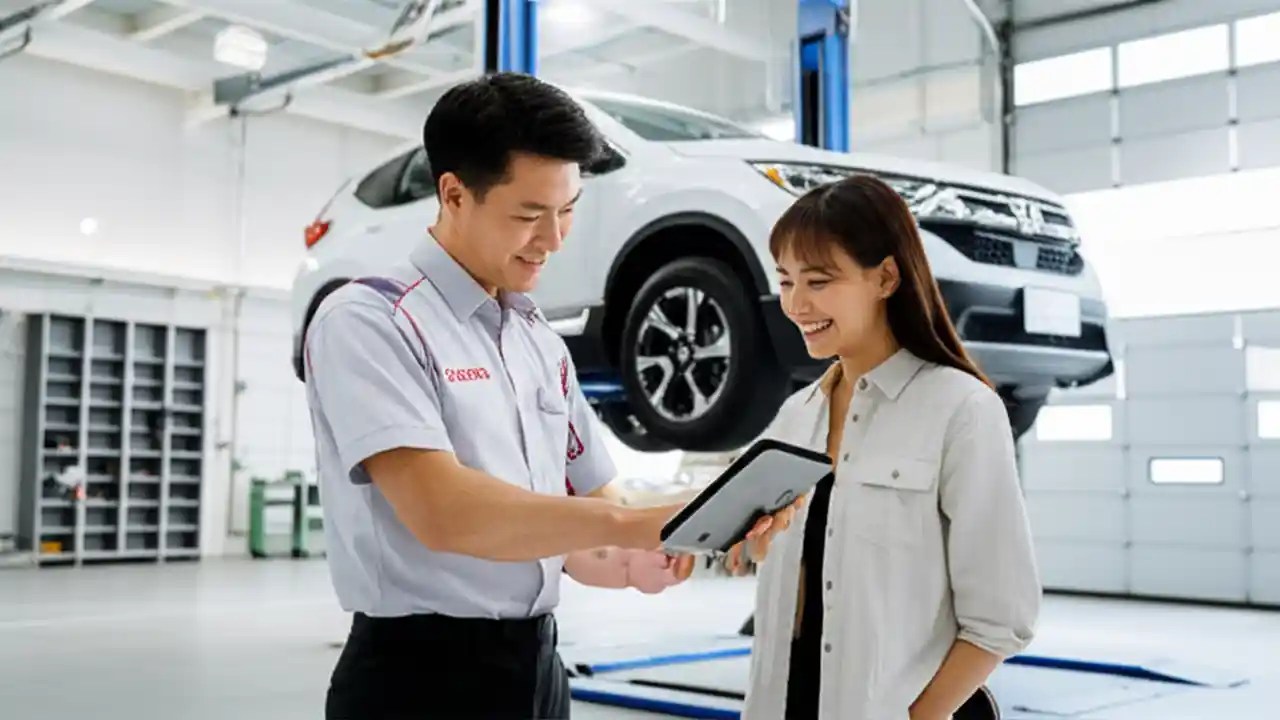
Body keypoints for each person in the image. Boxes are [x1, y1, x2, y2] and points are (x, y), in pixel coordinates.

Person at [303, 72, 798, 720]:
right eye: (530, 215)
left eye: (568, 210)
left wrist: (636, 558)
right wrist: (635, 522)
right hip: (416, 679)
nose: (555, 238)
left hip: (537, 669)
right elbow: (444, 512)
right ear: (453, 194)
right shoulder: (369, 323)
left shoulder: (538, 341)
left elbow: (580, 517)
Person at [734, 176, 1042, 720]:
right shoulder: (793, 417)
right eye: (785, 282)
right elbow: (773, 563)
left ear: (886, 277)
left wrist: (923, 715)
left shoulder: (961, 409)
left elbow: (1002, 616)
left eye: (819, 281)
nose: (796, 304)